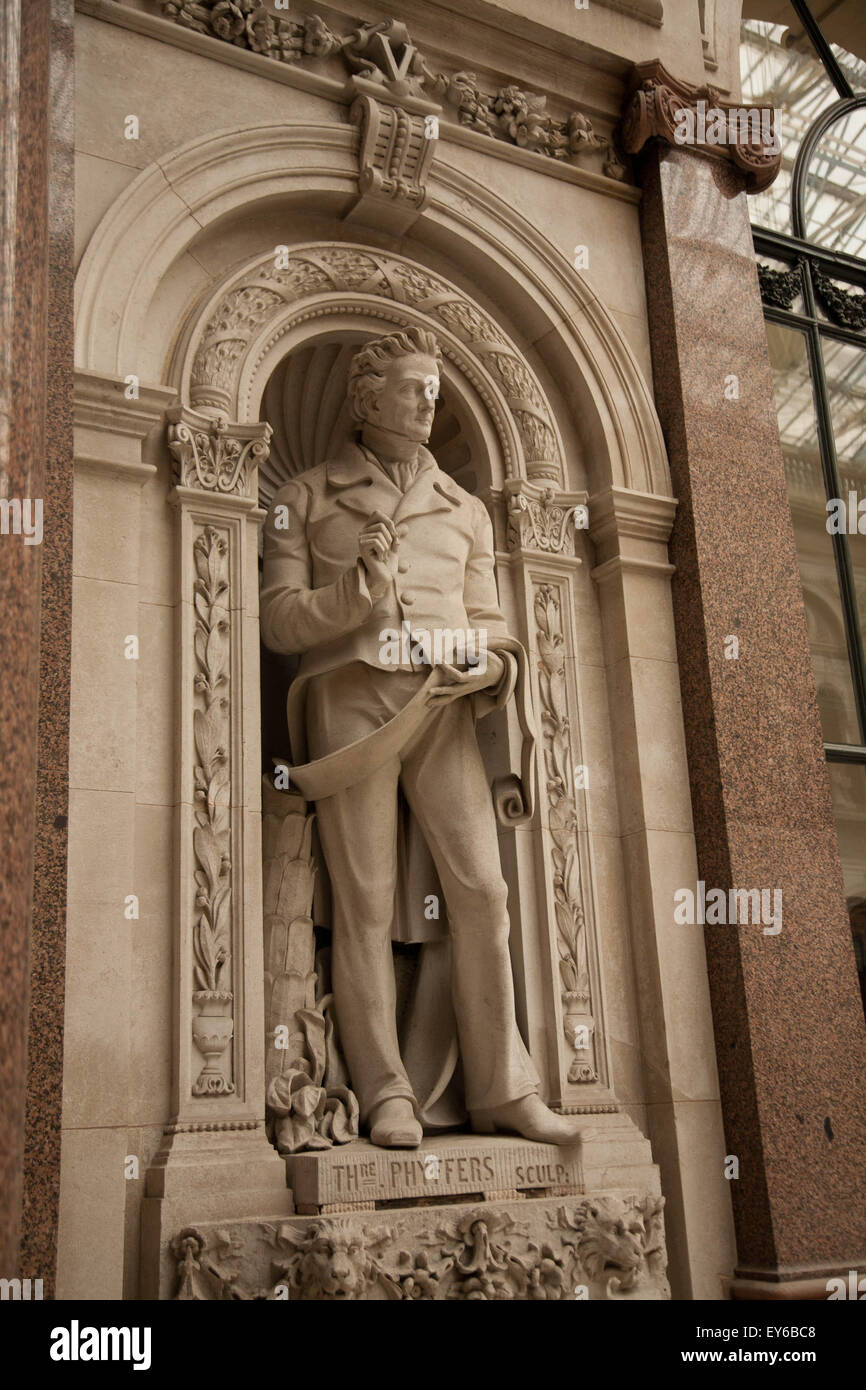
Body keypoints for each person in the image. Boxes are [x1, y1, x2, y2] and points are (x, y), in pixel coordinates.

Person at [261, 325, 581, 1149]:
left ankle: (502, 1086)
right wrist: (351, 598)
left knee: (483, 891)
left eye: (436, 390)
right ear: (366, 399)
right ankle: (385, 1092)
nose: (430, 401)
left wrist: (489, 666)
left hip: (440, 701)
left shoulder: (466, 507)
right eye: (413, 388)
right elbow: (277, 619)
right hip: (350, 701)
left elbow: (493, 623)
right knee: (363, 902)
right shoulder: (303, 494)